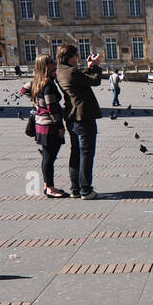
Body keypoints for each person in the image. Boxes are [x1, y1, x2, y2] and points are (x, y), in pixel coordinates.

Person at [55, 44, 105, 199]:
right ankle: (86, 190)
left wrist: (89, 67)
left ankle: (76, 189)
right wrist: (96, 66)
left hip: (71, 117)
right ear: (70, 57)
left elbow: (81, 78)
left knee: (76, 152)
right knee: (86, 153)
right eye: (76, 56)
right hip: (83, 117)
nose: (78, 59)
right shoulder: (72, 71)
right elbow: (95, 81)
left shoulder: (60, 71)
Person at [25, 54, 68, 198]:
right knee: (49, 158)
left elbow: (23, 89)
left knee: (47, 156)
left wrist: (36, 103)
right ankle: (50, 188)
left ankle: (47, 185)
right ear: (44, 66)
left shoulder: (36, 82)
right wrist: (60, 126)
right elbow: (52, 108)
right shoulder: (47, 85)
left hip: (40, 125)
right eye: (50, 62)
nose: (54, 63)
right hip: (50, 126)